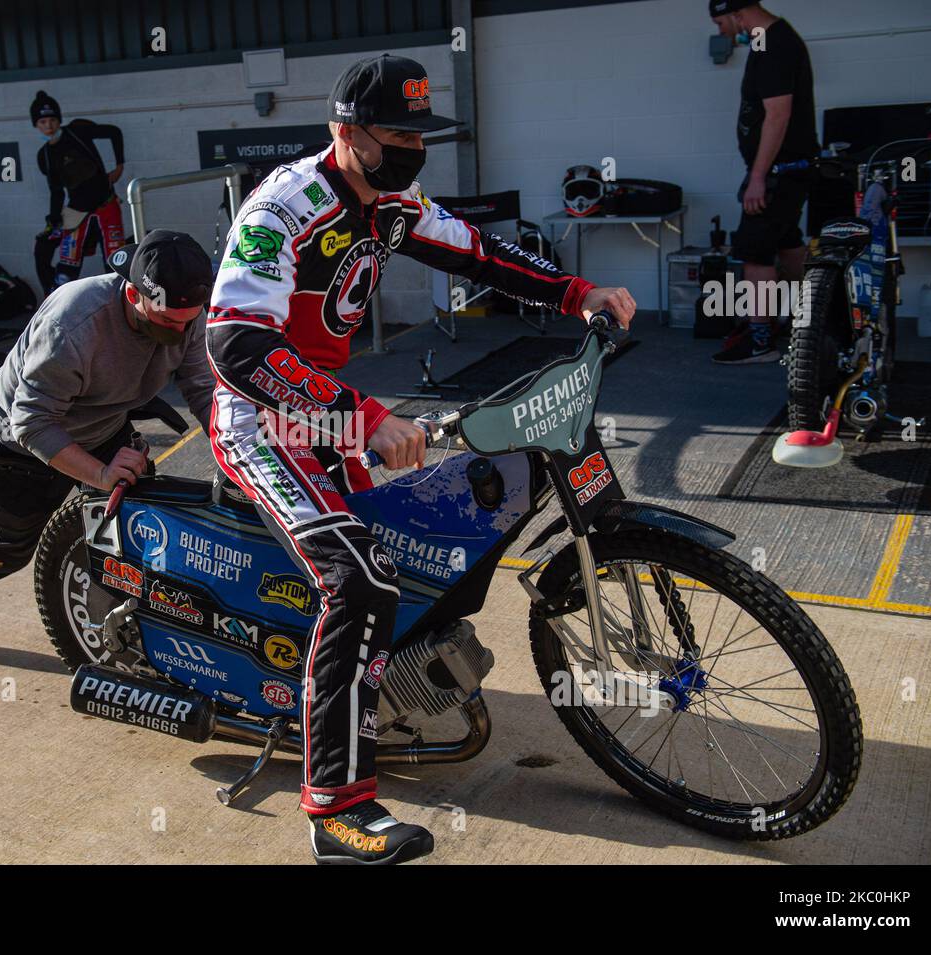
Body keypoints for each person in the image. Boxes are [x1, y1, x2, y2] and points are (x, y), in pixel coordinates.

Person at [206, 53, 635, 864]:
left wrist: (578, 293)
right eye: (396, 132)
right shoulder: (283, 207)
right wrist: (358, 415)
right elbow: (235, 342)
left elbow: (480, 255)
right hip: (264, 418)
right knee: (361, 576)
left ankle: (371, 690)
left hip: (327, 407)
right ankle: (334, 810)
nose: (412, 146)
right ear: (346, 132)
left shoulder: (395, 201)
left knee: (403, 553)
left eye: (419, 131)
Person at [0, 231, 215, 629]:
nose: (182, 333)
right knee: (2, 553)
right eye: (167, 322)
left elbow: (202, 389)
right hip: (24, 446)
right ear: (134, 295)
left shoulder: (185, 309)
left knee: (136, 530)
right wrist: (100, 474)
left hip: (102, 424)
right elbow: (31, 423)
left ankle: (133, 627)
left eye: (189, 321)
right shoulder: (74, 324)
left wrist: (236, 451)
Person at [709, 0, 817, 364]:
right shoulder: (767, 41)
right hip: (785, 170)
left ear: (735, 12)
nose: (721, 30)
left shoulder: (774, 44)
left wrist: (758, 176)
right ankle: (809, 325)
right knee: (787, 246)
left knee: (754, 252)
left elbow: (778, 114)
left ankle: (761, 341)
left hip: (780, 172)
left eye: (720, 21)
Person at [31, 91, 127, 294]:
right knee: (66, 268)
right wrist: (54, 219)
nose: (48, 126)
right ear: (36, 125)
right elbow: (56, 192)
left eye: (52, 120)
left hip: (105, 203)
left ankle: (121, 308)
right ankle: (57, 309)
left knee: (115, 265)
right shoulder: (45, 156)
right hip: (76, 210)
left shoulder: (77, 131)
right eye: (42, 122)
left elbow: (114, 132)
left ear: (59, 121)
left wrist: (119, 166)